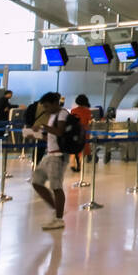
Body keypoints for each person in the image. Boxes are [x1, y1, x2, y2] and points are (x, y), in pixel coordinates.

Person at [27, 92, 70, 230]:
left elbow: (60, 132)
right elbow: (53, 136)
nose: (45, 109)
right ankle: (56, 209)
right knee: (37, 182)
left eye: (47, 106)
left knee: (56, 187)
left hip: (58, 156)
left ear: (54, 103)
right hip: (50, 154)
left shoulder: (63, 114)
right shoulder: (52, 116)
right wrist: (39, 135)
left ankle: (59, 219)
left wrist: (44, 127)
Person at [68, 94, 94, 172]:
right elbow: (89, 122)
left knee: (73, 148)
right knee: (82, 149)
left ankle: (72, 164)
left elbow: (71, 120)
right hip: (84, 132)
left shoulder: (73, 110)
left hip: (75, 131)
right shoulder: (88, 111)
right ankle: (79, 165)